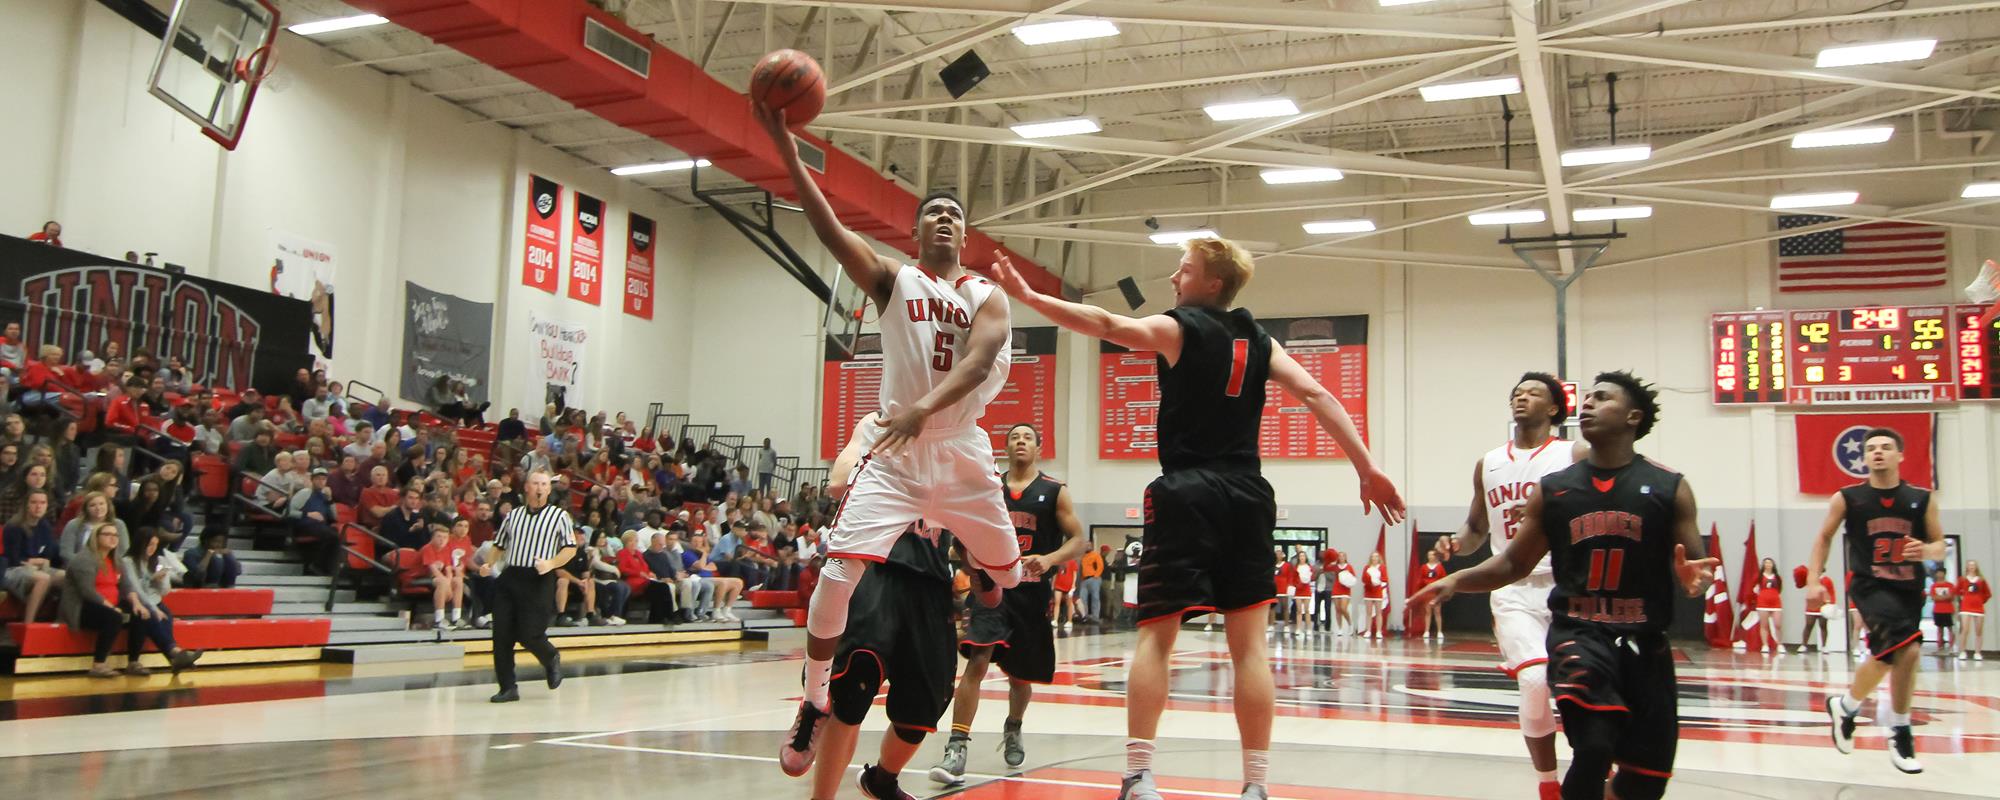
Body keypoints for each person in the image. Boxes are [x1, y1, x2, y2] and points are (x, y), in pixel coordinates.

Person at [985, 237, 1404, 800]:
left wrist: (1029, 294)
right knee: (1250, 648)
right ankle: (1256, 783)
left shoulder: (1180, 327)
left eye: (1184, 271)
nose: (1175, 279)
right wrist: (1368, 468)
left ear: (1211, 285)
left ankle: (1137, 774)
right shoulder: (1261, 340)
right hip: (1250, 495)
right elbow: (1317, 394)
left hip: (1187, 492)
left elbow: (1106, 323)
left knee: (1157, 641)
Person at [757, 99, 1028, 779]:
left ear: (964, 237)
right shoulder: (892, 277)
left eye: (956, 216)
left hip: (960, 448)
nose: (946, 219)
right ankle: (815, 697)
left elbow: (976, 362)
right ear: (915, 230)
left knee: (1010, 575)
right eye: (935, 212)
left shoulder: (986, 294)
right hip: (897, 456)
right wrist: (786, 147)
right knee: (839, 573)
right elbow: (828, 227)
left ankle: (987, 595)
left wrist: (922, 409)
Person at [1411, 371, 1715, 800]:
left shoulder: (1667, 486)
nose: (1587, 404)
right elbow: (1510, 558)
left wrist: (1693, 581)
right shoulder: (1546, 487)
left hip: (1643, 638)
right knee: (1589, 743)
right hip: (1576, 626)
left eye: (1602, 398)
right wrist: (1456, 575)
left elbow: (1695, 564)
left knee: (1642, 783)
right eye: (1586, 398)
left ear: (1633, 417)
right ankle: (1547, 781)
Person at [930, 422, 1084, 785]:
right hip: (990, 591)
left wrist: (1049, 559)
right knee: (977, 661)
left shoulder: (1054, 491)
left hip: (1031, 595)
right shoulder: (988, 489)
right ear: (1006, 446)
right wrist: (969, 562)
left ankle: (1013, 726)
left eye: (1027, 437)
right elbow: (958, 543)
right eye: (1014, 437)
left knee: (1019, 675)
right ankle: (957, 746)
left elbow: (1078, 540)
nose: (1020, 442)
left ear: (1038, 447)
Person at [1808, 426, 1944, 773]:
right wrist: (1814, 579)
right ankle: (1900, 730)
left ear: (1900, 455)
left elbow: (1940, 545)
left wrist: (1925, 550)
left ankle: (1846, 706)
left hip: (1908, 587)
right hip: (1869, 584)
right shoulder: (1848, 498)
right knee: (1906, 648)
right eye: (1871, 448)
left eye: (1885, 447)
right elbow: (1823, 537)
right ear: (1864, 458)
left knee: (1899, 654)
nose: (1878, 452)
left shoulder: (1921, 498)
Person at [486, 470, 575, 702]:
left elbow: (569, 548)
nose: (539, 487)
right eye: (535, 483)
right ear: (526, 487)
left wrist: (551, 563)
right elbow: (499, 544)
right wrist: (488, 563)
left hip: (539, 577)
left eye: (544, 484)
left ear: (549, 489)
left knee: (530, 633)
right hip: (511, 576)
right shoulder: (513, 515)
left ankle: (550, 657)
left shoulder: (559, 516)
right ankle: (507, 687)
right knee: (501, 635)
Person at [123, 528, 204, 675]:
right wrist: (153, 606)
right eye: (149, 544)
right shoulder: (128, 561)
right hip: (133, 600)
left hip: (154, 600)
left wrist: (162, 579)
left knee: (165, 616)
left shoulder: (158, 560)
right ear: (140, 544)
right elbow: (134, 588)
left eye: (155, 544)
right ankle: (175, 652)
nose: (152, 548)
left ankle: (174, 659)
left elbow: (164, 591)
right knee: (146, 616)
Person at [3, 489, 63, 623]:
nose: (38, 506)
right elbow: (13, 559)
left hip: (36, 568)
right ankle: (28, 623)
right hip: (12, 570)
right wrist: (34, 561)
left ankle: (61, 621)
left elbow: (48, 555)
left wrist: (41, 562)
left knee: (67, 577)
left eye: (42, 502)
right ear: (26, 505)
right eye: (34, 502)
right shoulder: (14, 527)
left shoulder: (45, 526)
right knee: (43, 579)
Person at [420, 524, 472, 630]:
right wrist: (447, 584)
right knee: (442, 581)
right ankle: (439, 620)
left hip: (440, 578)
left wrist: (449, 582)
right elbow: (433, 570)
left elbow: (448, 569)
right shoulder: (427, 548)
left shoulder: (446, 549)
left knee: (457, 580)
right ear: (432, 538)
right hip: (423, 576)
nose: (442, 540)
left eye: (445, 537)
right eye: (439, 536)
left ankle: (456, 618)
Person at [1798, 567, 1837, 653]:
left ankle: (1824, 646)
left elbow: (1831, 592)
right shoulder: (1810, 579)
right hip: (1811, 606)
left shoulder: (1827, 580)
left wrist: (1832, 604)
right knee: (1808, 625)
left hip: (1823, 607)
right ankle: (1803, 645)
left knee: (1823, 626)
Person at [1415, 550, 1447, 640]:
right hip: (1427, 592)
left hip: (1436, 593)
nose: (1430, 556)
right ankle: (1426, 631)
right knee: (1428, 612)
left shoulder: (1440, 567)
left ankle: (1440, 631)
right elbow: (1420, 580)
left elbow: (1444, 579)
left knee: (1437, 612)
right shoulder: (1424, 567)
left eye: (1432, 555)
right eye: (1429, 555)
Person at [1959, 561, 1988, 660]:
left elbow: (1987, 593)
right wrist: (1964, 597)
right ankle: (1962, 651)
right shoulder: (1962, 579)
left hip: (1978, 608)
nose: (1971, 567)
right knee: (1965, 630)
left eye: (1973, 565)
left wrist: (1980, 600)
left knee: (1979, 631)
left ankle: (1977, 652)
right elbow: (1956, 590)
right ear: (1967, 567)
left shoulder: (1981, 580)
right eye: (1970, 565)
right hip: (1966, 608)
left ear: (1976, 567)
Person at [1756, 557, 1784, 655]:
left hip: (1775, 603)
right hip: (1763, 603)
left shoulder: (1777, 577)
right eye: (1766, 563)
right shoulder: (1759, 577)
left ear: (1773, 565)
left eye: (1770, 563)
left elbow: (1780, 589)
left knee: (1778, 624)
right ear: (1763, 565)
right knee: (1764, 625)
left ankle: (1779, 644)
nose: (1768, 564)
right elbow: (1755, 588)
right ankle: (1765, 645)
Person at [1361, 551, 1390, 640]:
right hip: (1368, 592)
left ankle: (1378, 631)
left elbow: (1385, 579)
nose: (1374, 558)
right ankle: (1368, 630)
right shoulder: (1367, 567)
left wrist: (1378, 582)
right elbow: (1363, 579)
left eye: (1376, 556)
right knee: (1368, 612)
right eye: (1373, 557)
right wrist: (1370, 582)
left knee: (1378, 612)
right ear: (1371, 558)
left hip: (1378, 591)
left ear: (1379, 558)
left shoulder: (1382, 567)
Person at [1928, 568, 1957, 655]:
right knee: (1939, 629)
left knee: (1950, 628)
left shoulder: (1950, 585)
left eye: (1941, 573)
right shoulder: (1934, 586)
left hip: (1948, 609)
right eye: (1938, 573)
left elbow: (1951, 596)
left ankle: (1952, 647)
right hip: (1938, 610)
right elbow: (1933, 597)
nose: (1940, 575)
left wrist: (1940, 597)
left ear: (1944, 574)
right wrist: (1944, 597)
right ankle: (1940, 647)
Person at [1076, 542, 1105, 624]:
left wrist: (1096, 575)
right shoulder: (1082, 556)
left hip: (1093, 578)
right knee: (1082, 599)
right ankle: (1085, 616)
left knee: (1095, 598)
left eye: (1089, 545)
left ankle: (1095, 617)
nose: (1087, 546)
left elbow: (1100, 566)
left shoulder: (1095, 555)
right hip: (1083, 580)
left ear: (1092, 546)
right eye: (1086, 545)